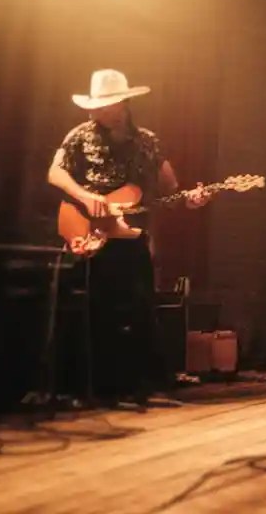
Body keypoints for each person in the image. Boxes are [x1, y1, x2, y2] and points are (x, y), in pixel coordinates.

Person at [47, 69, 210, 406]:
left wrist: (192, 200)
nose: (96, 111)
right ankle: (84, 387)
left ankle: (139, 385)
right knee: (89, 309)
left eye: (104, 105)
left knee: (138, 305)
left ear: (122, 105)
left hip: (127, 235)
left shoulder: (147, 143)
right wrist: (84, 196)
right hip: (87, 232)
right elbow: (55, 172)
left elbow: (170, 187)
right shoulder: (80, 136)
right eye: (94, 105)